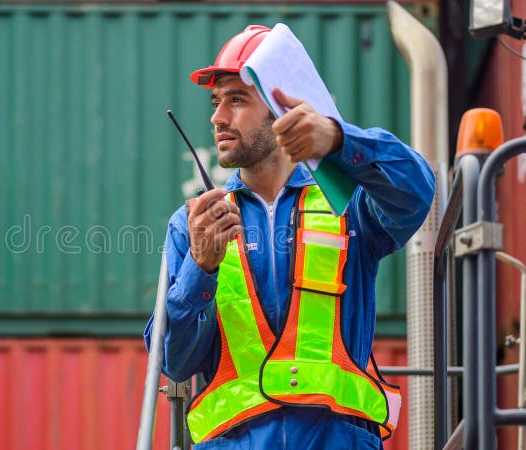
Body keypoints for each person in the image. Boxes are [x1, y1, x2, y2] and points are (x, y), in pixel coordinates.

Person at [144, 25, 435, 449]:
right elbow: (174, 362)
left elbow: (417, 191)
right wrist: (199, 269)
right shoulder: (192, 225)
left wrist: (338, 139)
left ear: (282, 108)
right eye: (215, 101)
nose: (217, 117)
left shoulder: (350, 205)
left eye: (237, 99)